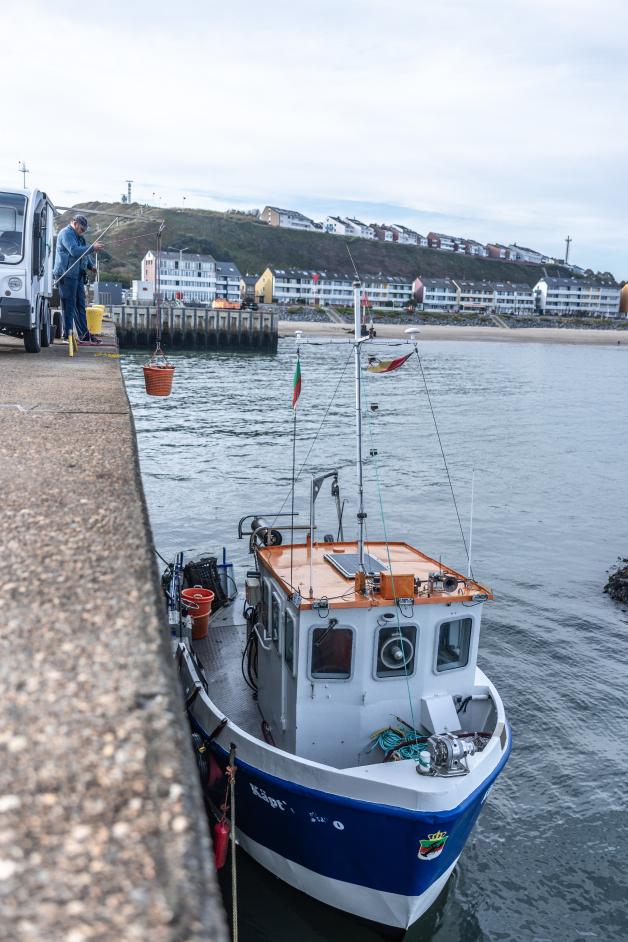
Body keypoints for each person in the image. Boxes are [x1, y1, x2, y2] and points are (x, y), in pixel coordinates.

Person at [53, 213, 104, 344]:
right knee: (69, 305)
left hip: (77, 275)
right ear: (74, 224)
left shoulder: (79, 236)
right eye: (82, 229)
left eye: (85, 230)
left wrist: (90, 265)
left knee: (80, 305)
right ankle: (67, 335)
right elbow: (75, 251)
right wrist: (92, 248)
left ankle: (84, 335)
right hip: (66, 274)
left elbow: (83, 254)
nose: (83, 232)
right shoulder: (66, 233)